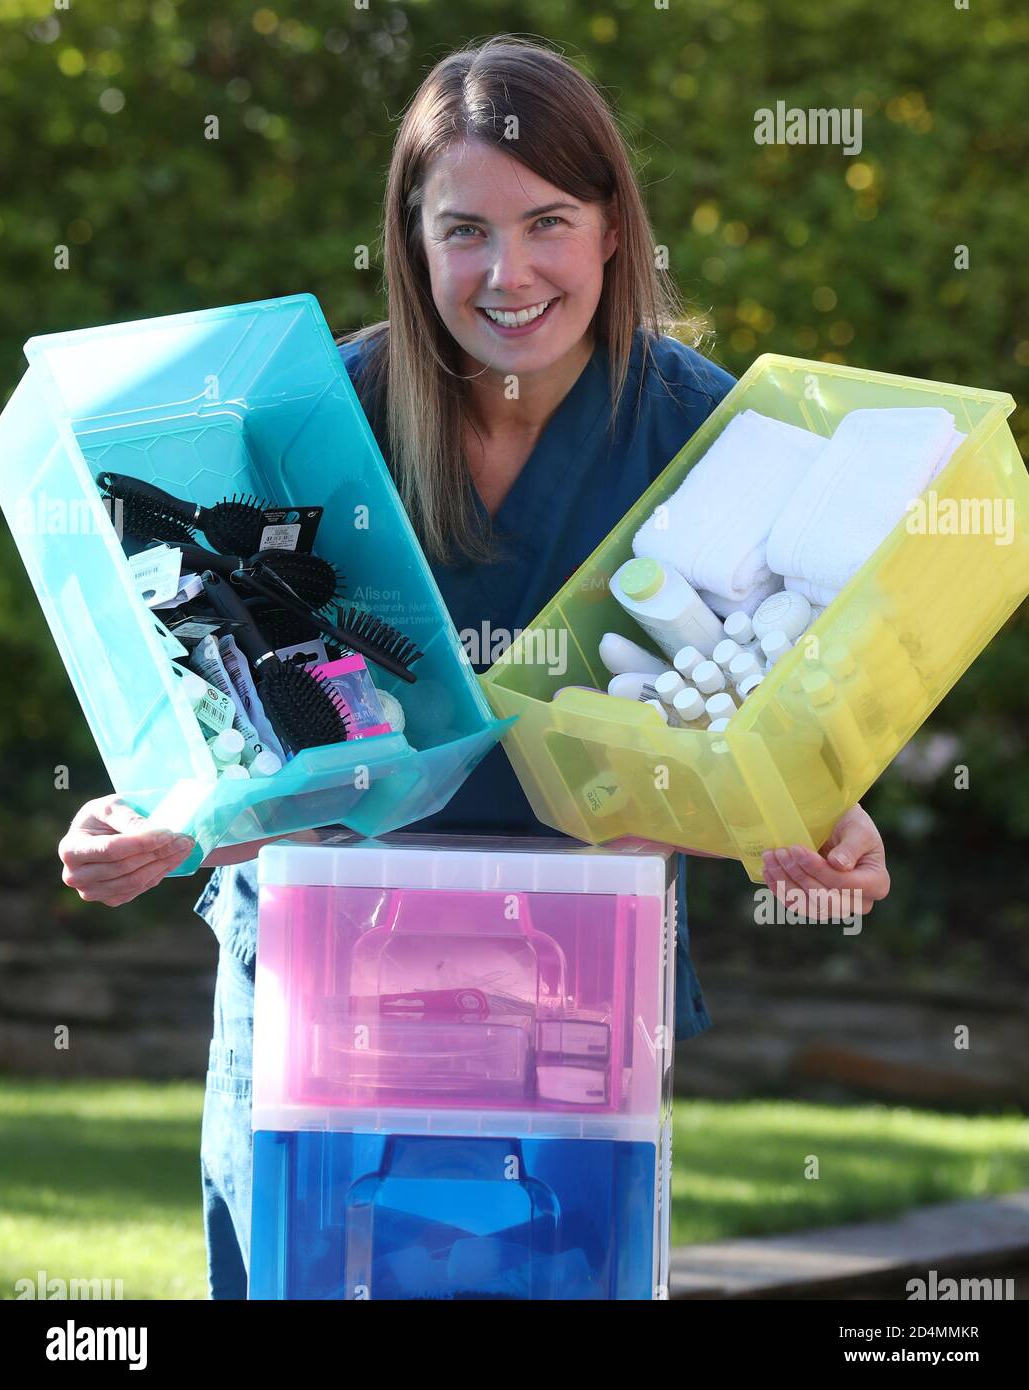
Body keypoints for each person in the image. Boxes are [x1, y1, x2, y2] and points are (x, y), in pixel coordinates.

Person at [57, 36, 891, 1299]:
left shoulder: (711, 441)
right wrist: (155, 822)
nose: (508, 274)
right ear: (411, 240)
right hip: (318, 992)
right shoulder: (302, 428)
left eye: (548, 221)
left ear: (615, 230)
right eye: (465, 231)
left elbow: (763, 708)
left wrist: (817, 814)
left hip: (566, 1010)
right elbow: (221, 733)